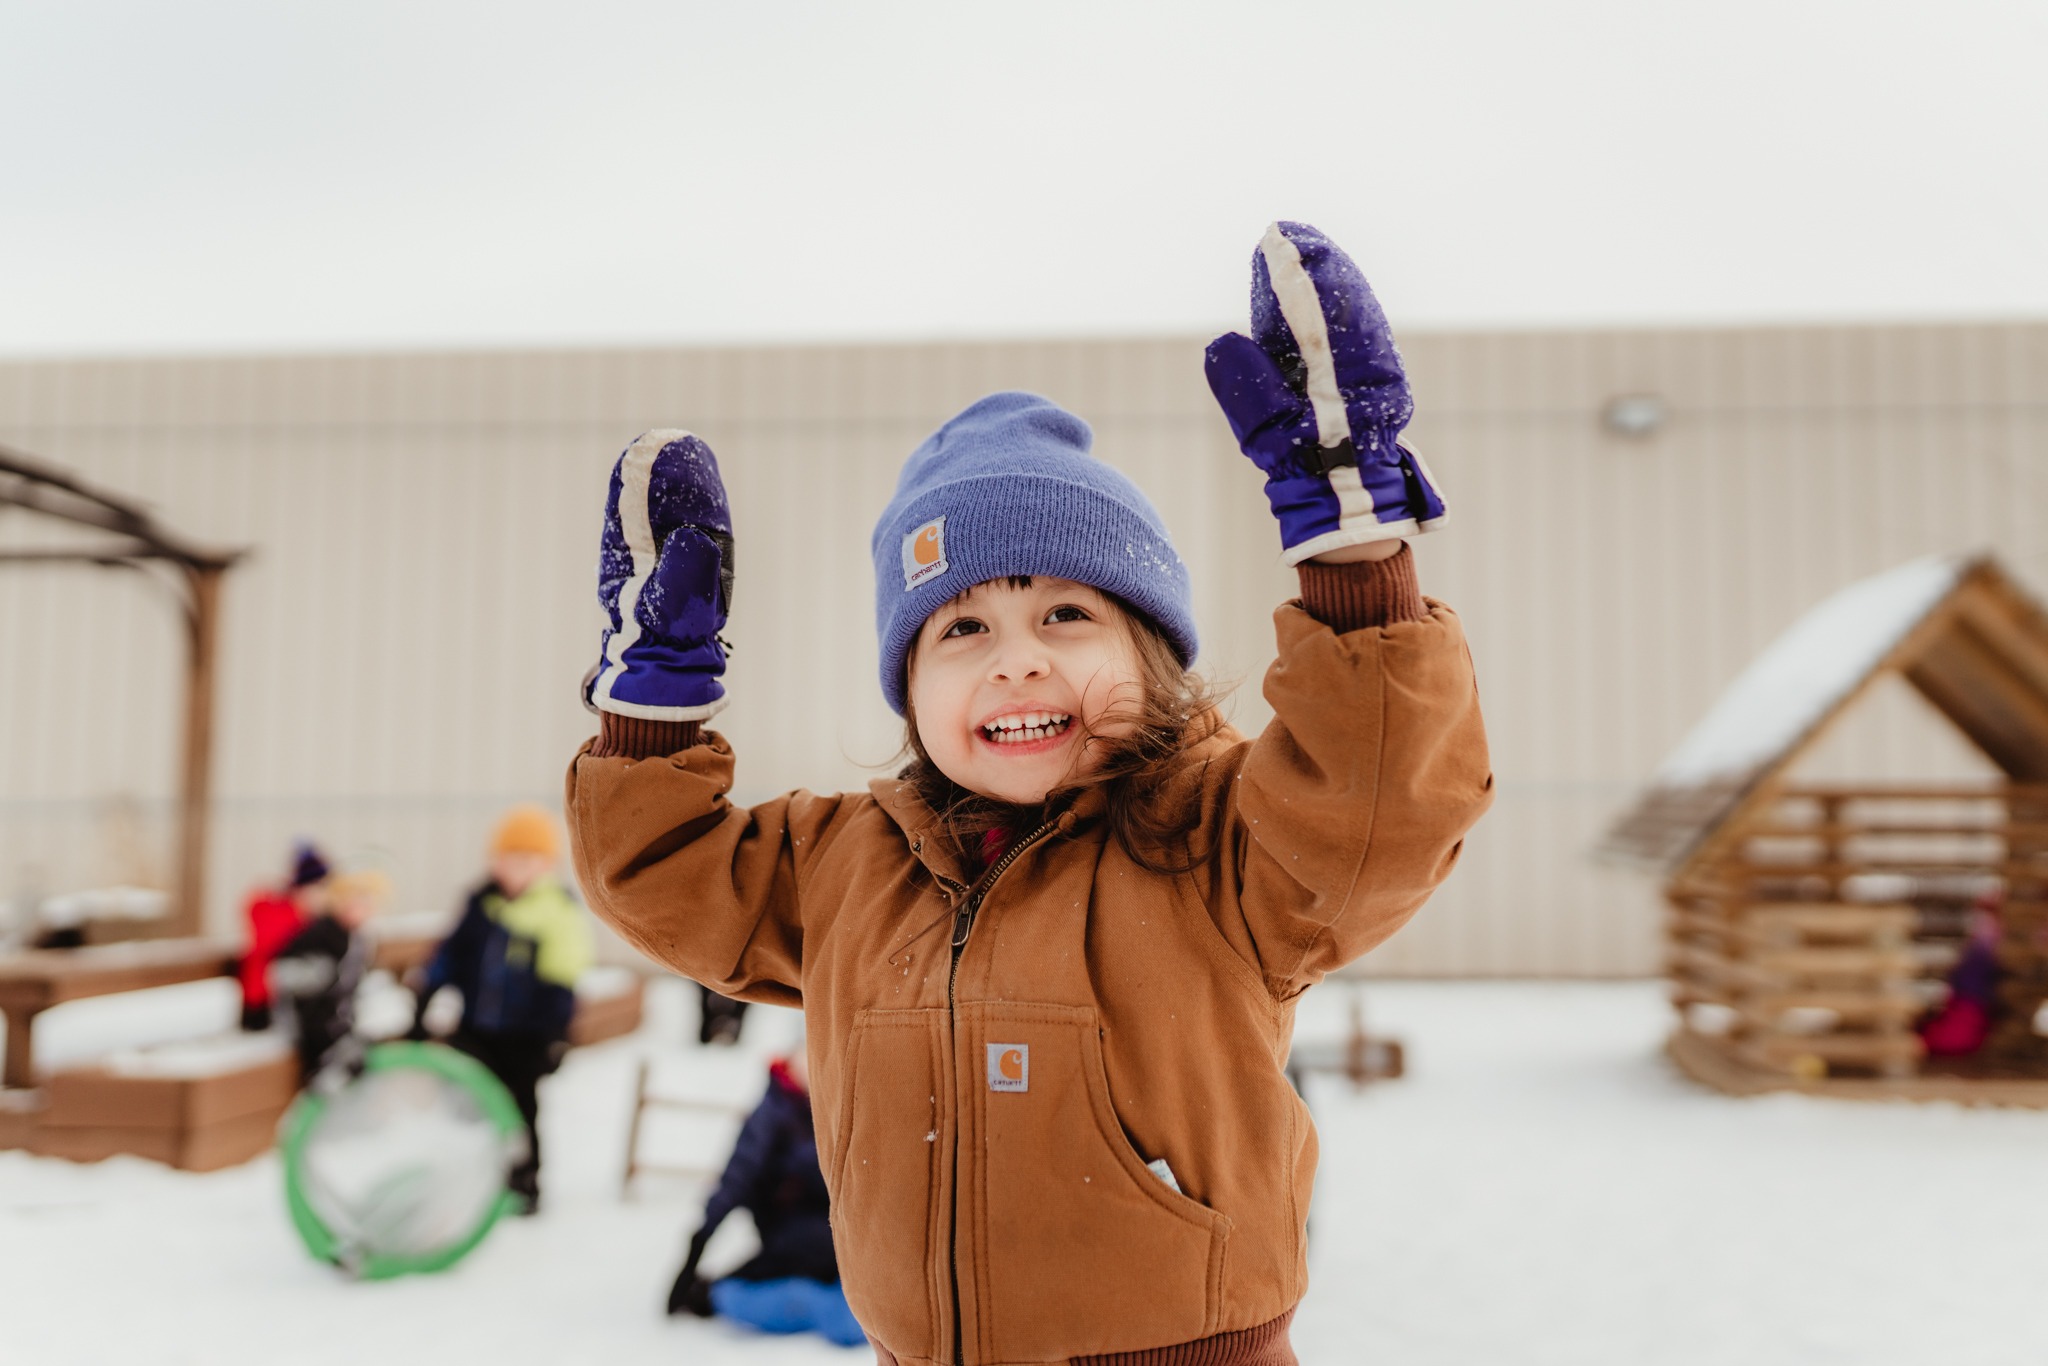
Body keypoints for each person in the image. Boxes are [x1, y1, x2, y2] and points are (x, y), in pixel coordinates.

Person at [566, 223, 1492, 1364]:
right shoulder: (851, 863)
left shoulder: (1215, 839)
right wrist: (650, 709)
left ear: (1148, 655)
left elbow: (1376, 804)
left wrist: (1353, 561)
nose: (1014, 659)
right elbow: (665, 878)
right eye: (961, 628)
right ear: (909, 692)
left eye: (1065, 613)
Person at [412, 805, 593, 1213]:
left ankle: (524, 1180)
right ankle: (469, 1174)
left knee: (519, 1108)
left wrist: (558, 1035)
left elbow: (562, 980)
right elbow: (452, 955)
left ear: (546, 865)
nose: (515, 869)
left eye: (527, 861)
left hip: (525, 1036)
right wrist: (425, 995)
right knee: (466, 1103)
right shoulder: (480, 904)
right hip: (476, 1028)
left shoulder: (555, 912)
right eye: (507, 859)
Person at [666, 1050, 862, 1347]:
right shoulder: (774, 1112)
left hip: (828, 1220)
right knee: (820, 1249)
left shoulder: (831, 1106)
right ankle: (715, 1293)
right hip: (788, 1223)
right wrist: (699, 1242)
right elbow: (738, 1175)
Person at [270, 869, 388, 1084]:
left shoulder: (355, 939)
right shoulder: (322, 935)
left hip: (338, 1021)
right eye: (357, 901)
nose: (365, 909)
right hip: (313, 1026)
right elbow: (289, 979)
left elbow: (349, 989)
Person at [238, 842, 330, 1031]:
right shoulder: (279, 914)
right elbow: (269, 949)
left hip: (290, 1002)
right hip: (263, 999)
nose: (321, 897)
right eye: (317, 888)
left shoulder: (309, 918)